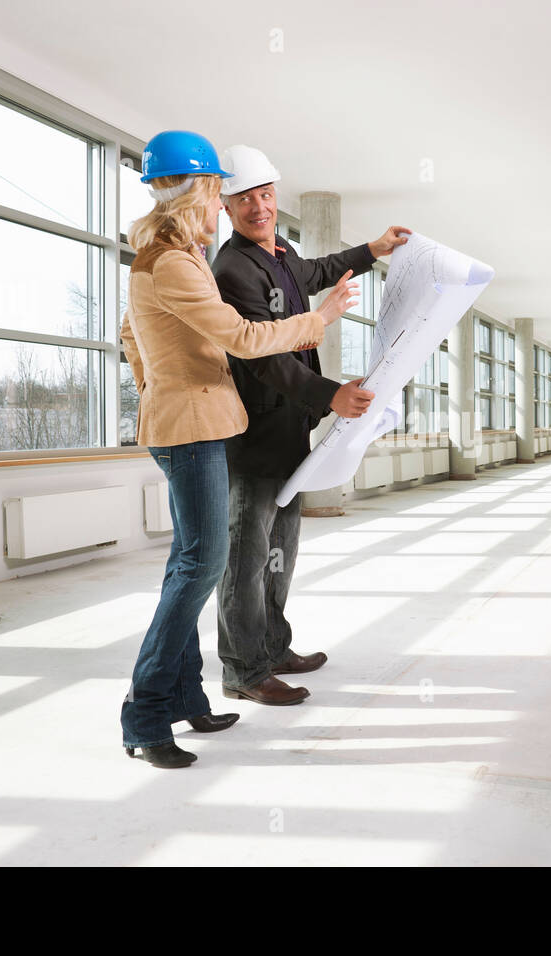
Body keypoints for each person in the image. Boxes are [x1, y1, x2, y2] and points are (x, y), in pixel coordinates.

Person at [118, 131, 358, 768]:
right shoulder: (175, 260)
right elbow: (244, 338)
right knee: (201, 568)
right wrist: (322, 318)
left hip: (186, 422)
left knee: (191, 566)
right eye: (221, 190)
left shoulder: (169, 253)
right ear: (202, 191)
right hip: (192, 430)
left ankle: (186, 697)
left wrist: (154, 388)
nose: (227, 201)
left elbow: (129, 336)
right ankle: (144, 715)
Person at [211, 144, 410, 705]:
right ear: (226, 206)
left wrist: (373, 249)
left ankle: (273, 647)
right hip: (252, 439)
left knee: (280, 554)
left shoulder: (280, 252)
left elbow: (317, 270)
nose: (259, 207)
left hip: (290, 434)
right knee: (245, 562)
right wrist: (332, 395)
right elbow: (263, 358)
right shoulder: (231, 270)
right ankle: (243, 672)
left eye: (266, 195)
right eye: (245, 199)